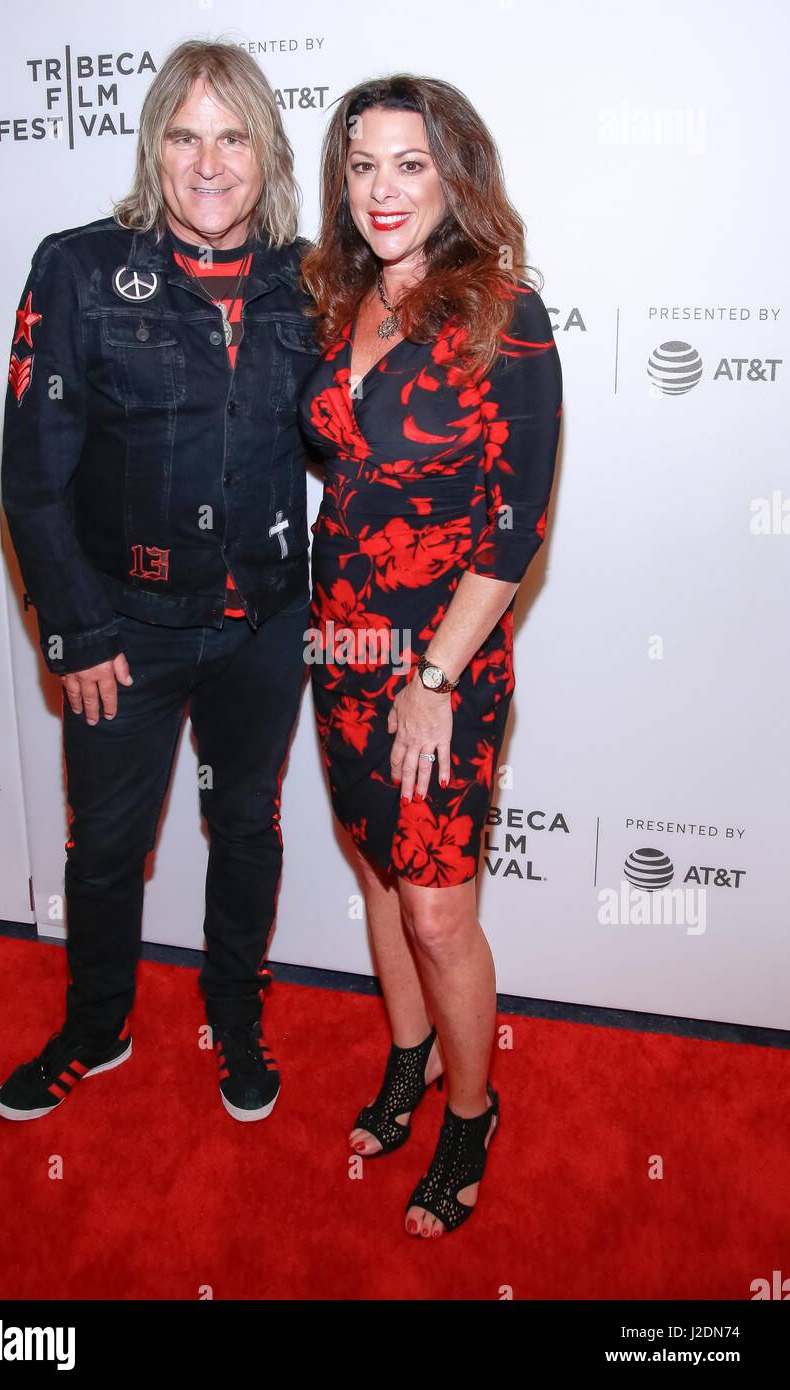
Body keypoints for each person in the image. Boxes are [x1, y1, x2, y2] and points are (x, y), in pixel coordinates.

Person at [0, 39, 320, 1124]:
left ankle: (234, 1016)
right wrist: (76, 631)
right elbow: (33, 480)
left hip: (264, 622)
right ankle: (98, 1027)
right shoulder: (78, 268)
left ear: (264, 150)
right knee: (108, 848)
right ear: (155, 148)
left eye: (232, 135)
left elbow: (365, 434)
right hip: (123, 629)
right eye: (185, 135)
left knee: (246, 829)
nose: (209, 161)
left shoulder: (310, 280)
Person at [298, 76, 563, 1237]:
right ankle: (405, 1058)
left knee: (440, 913)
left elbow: (514, 533)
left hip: (439, 676)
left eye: (408, 163)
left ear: (453, 174)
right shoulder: (334, 299)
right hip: (337, 648)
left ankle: (469, 1111)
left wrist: (434, 679)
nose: (381, 189)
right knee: (375, 877)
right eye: (361, 165)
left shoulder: (502, 315)